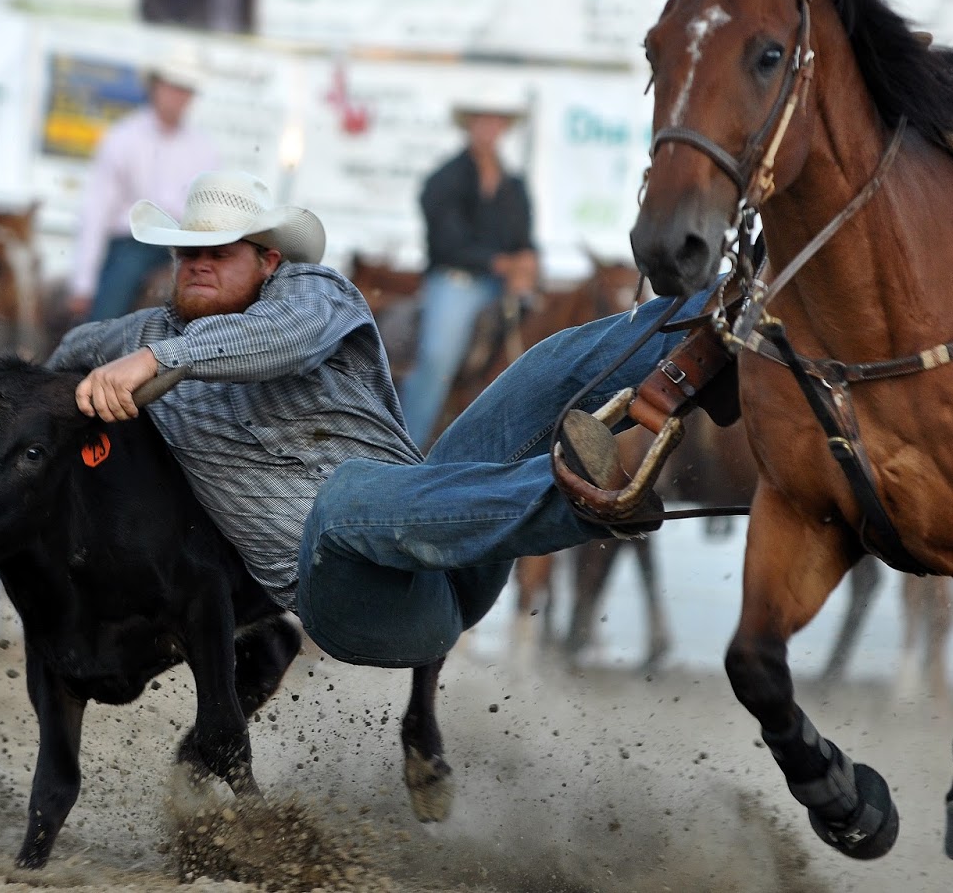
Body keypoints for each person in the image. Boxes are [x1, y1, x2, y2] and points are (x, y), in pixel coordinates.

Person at [50, 170, 704, 665]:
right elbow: (51, 370)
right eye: (186, 252)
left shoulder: (314, 293)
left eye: (220, 252)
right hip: (357, 603)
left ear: (269, 260)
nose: (197, 263)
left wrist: (154, 360)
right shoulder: (137, 337)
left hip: (443, 546)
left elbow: (277, 339)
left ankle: (716, 319)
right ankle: (591, 494)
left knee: (547, 362)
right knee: (343, 502)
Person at [398, 87, 539, 450]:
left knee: (541, 344)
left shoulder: (515, 186)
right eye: (483, 121)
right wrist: (501, 262)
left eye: (496, 122)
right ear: (470, 126)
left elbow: (524, 238)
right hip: (455, 281)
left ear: (503, 128)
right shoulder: (443, 180)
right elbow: (446, 244)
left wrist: (528, 261)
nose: (489, 128)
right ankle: (405, 449)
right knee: (437, 360)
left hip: (502, 285)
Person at [67, 52, 220, 323]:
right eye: (173, 86)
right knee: (107, 316)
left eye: (186, 89)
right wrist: (84, 283)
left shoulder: (204, 148)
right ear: (155, 86)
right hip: (133, 241)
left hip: (185, 244)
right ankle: (96, 351)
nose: (179, 96)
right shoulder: (123, 138)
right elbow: (97, 210)